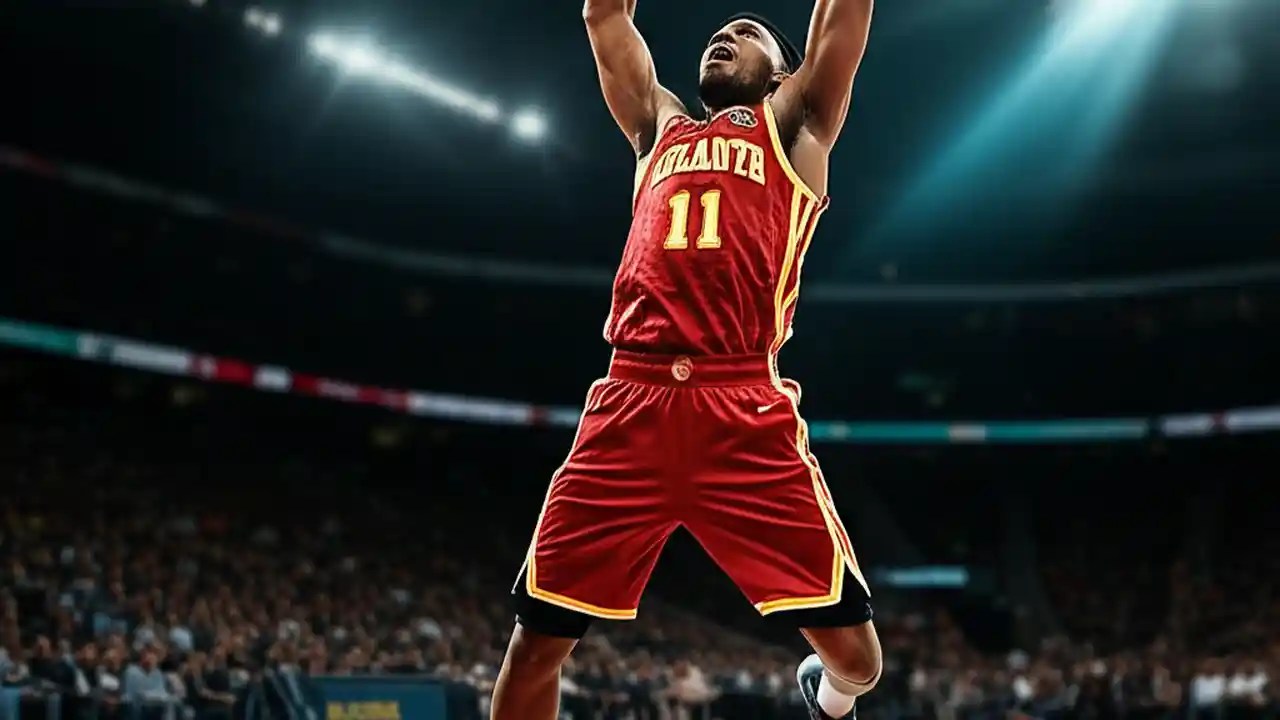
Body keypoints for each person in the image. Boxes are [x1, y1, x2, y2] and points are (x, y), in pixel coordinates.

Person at [490, 1, 880, 719]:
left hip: (741, 406)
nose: (724, 35)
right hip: (630, 400)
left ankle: (827, 701)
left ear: (785, 72)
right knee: (534, 648)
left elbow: (843, 17)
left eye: (747, 32)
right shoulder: (659, 128)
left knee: (860, 661)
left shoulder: (795, 124)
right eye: (718, 30)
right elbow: (604, 19)